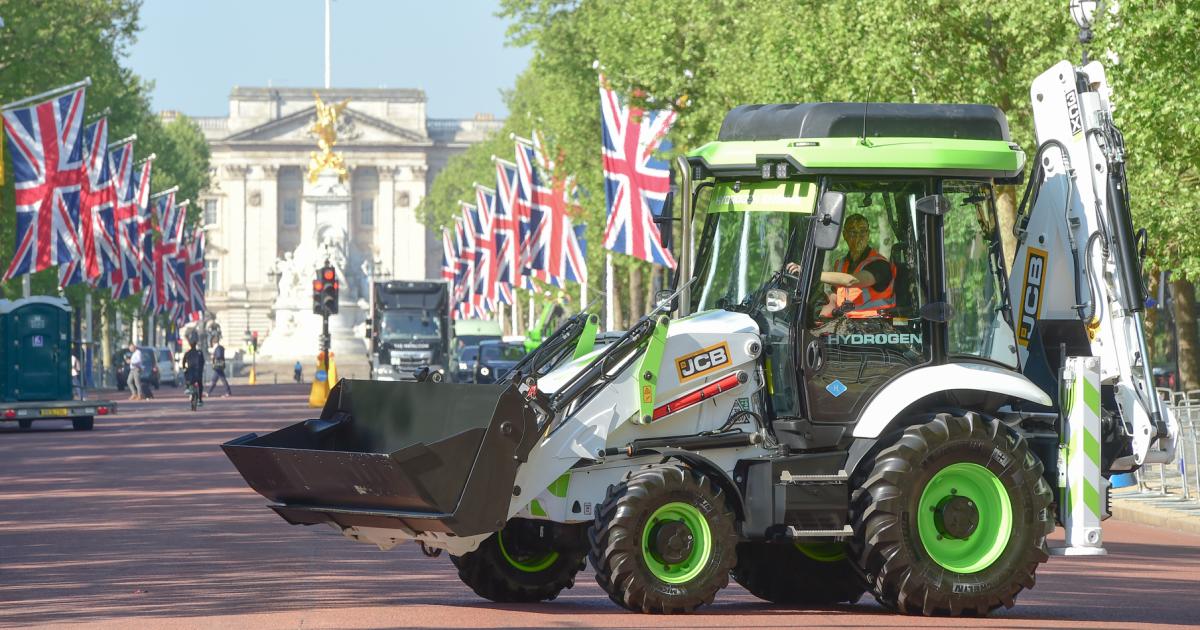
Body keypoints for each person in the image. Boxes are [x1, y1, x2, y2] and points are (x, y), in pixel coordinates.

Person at [789, 213, 896, 318]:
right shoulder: (840, 264)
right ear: (845, 235)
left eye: (863, 232)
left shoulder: (880, 265)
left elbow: (851, 280)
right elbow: (837, 294)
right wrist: (827, 310)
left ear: (868, 234)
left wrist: (808, 272)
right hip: (847, 325)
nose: (859, 237)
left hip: (877, 327)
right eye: (853, 232)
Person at [182, 340, 206, 406]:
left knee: (187, 377)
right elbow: (203, 362)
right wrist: (201, 369)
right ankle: (200, 399)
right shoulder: (199, 352)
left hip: (190, 373)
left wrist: (184, 368)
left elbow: (183, 362)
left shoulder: (188, 353)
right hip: (198, 372)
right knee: (200, 385)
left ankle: (187, 387)